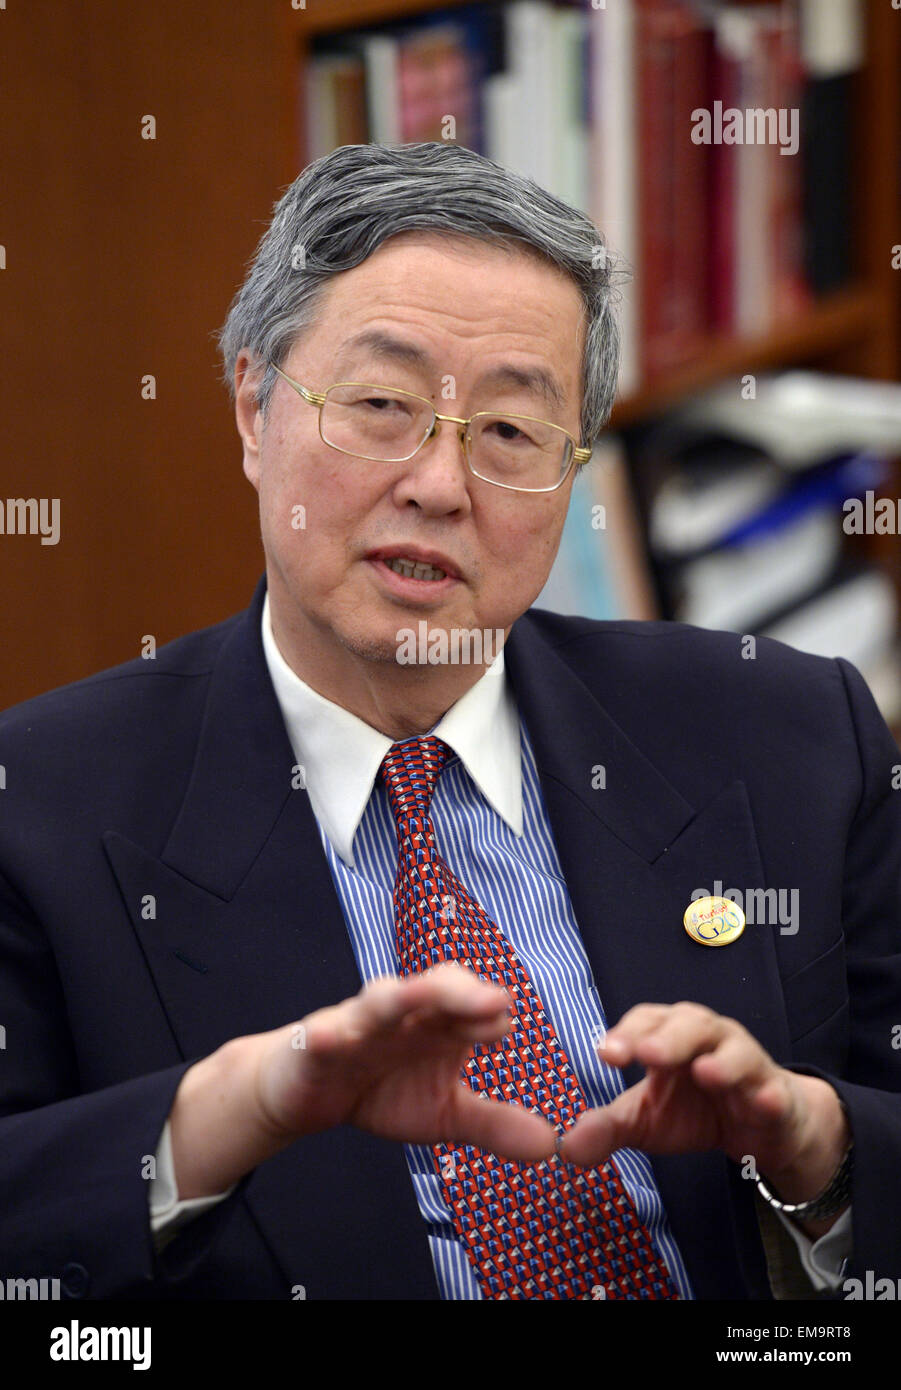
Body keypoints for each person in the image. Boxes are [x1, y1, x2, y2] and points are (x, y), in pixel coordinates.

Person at [1, 141, 899, 1301]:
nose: (439, 482)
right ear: (251, 407)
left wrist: (814, 1148)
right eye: (380, 405)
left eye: (511, 433)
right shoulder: (41, 808)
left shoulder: (791, 732)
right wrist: (217, 1122)